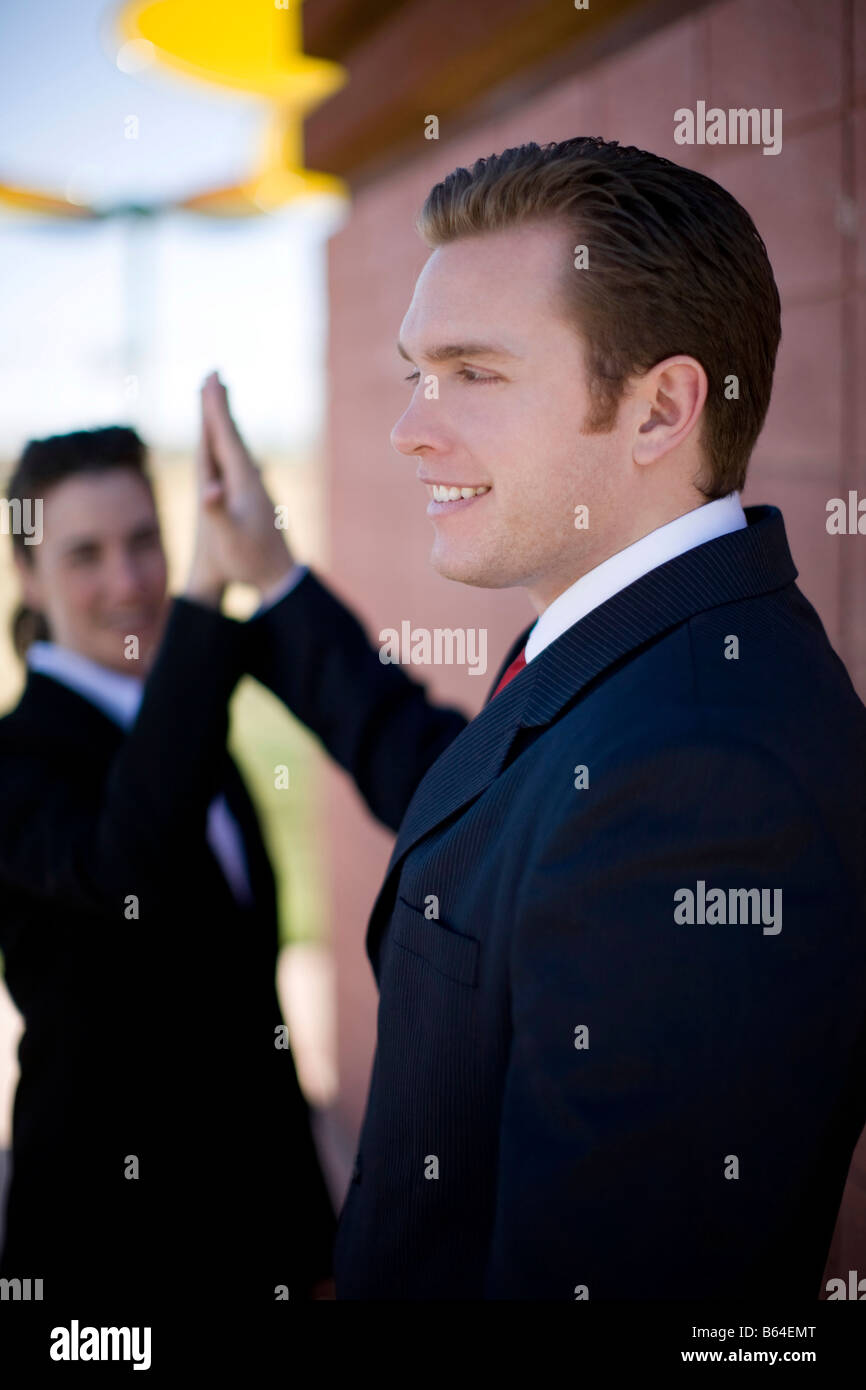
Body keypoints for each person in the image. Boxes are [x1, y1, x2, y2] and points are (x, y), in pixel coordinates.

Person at [195, 136, 866, 1300]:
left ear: (659, 409)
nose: (411, 425)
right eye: (415, 370)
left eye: (473, 371)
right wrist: (276, 576)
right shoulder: (636, 646)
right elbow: (474, 802)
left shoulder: (705, 782)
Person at [0, 419, 340, 1322]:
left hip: (253, 1246)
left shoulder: (190, 728)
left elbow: (254, 1019)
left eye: (147, 541)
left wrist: (315, 1242)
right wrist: (200, 598)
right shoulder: (15, 763)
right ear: (27, 577)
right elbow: (126, 870)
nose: (129, 582)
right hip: (105, 1262)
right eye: (85, 554)